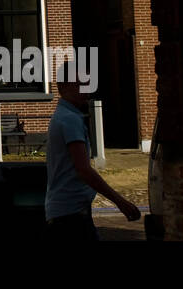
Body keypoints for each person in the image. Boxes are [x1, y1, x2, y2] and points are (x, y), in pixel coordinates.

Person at [45, 78, 141, 240]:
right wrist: (121, 202)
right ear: (62, 87)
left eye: (86, 85)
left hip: (64, 211)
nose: (86, 91)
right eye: (79, 85)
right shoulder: (69, 119)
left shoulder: (62, 116)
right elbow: (84, 170)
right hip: (72, 214)